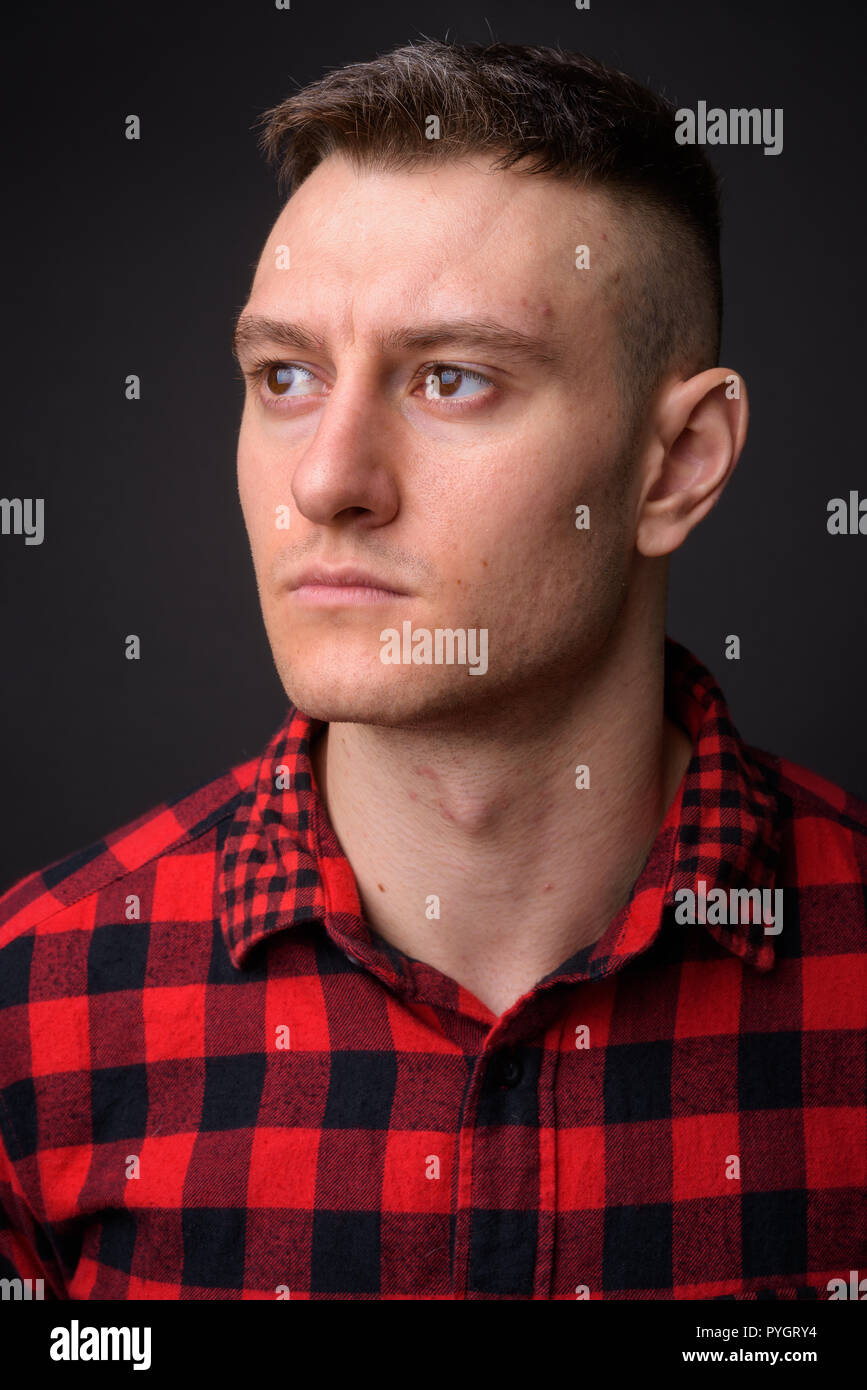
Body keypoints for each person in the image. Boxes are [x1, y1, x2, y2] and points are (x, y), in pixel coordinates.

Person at [1, 40, 864, 1302]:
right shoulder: (35, 1007)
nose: (327, 480)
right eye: (284, 377)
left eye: (451, 379)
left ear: (677, 464)